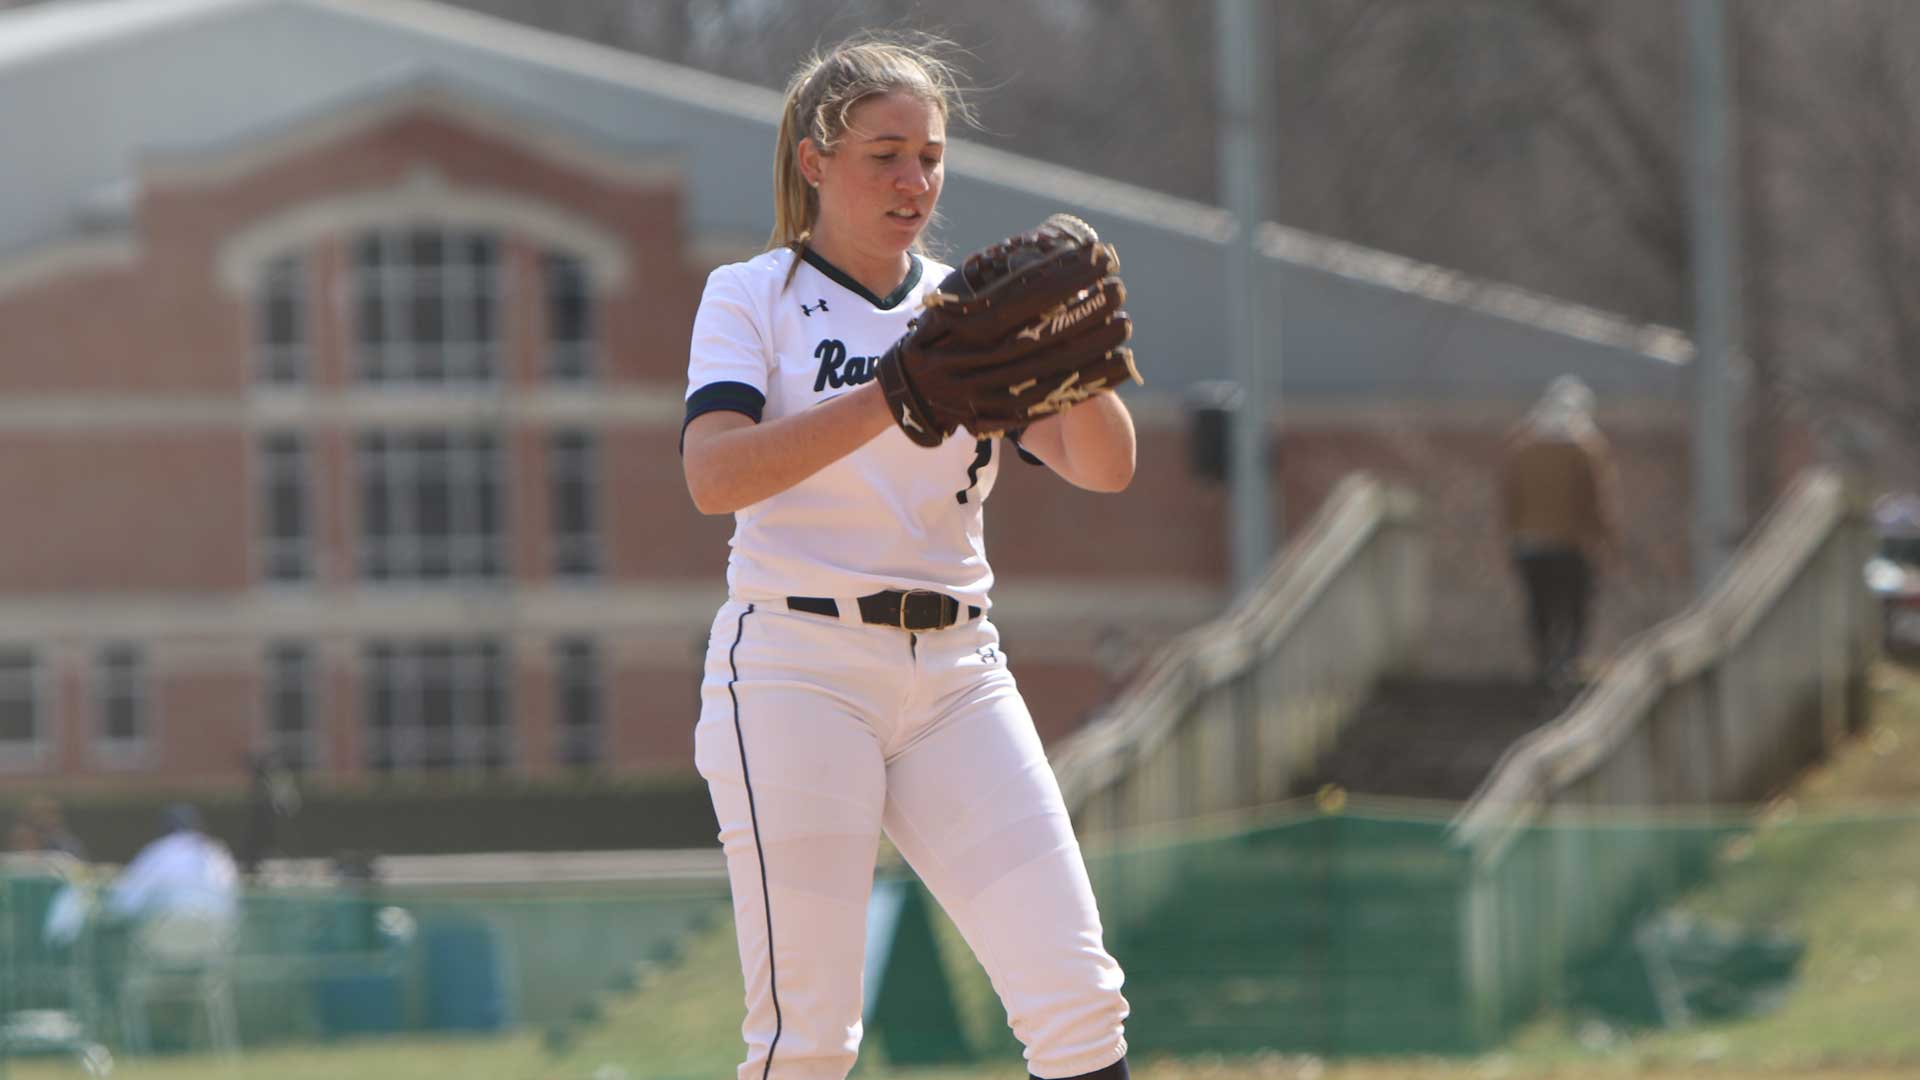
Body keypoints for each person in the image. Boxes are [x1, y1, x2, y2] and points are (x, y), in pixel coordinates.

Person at [680, 34, 1135, 1080]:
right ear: (814, 162)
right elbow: (716, 477)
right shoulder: (752, 295)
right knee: (808, 1042)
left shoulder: (964, 314)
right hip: (795, 666)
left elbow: (1104, 469)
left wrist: (1072, 355)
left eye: (929, 155)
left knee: (1078, 1003)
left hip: (958, 676)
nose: (913, 179)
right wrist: (893, 395)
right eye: (885, 153)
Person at [1499, 376, 1620, 689]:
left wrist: (1510, 537)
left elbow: (1510, 499)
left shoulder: (1522, 450)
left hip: (1529, 543)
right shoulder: (1586, 450)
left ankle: (1543, 664)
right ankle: (1569, 662)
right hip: (1571, 544)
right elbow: (1596, 500)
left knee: (1539, 605)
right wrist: (1607, 539)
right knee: (1574, 604)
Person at [104, 804, 240, 929]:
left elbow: (128, 899)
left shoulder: (160, 850)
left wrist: (114, 912)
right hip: (216, 932)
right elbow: (232, 895)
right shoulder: (215, 850)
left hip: (169, 932)